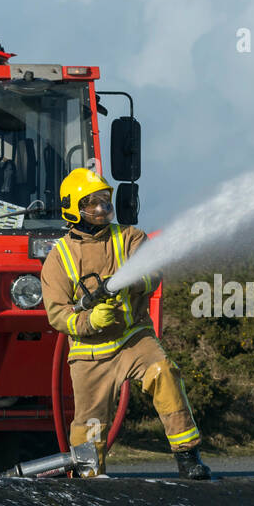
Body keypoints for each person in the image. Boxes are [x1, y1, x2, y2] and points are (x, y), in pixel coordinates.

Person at [41, 167, 210, 479]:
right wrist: (89, 320)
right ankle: (88, 483)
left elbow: (153, 272)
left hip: (134, 339)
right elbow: (57, 314)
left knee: (164, 374)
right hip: (89, 353)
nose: (102, 209)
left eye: (106, 201)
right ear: (73, 209)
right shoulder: (58, 258)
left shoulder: (129, 237)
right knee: (89, 426)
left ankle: (188, 458)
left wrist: (126, 282)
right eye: (92, 203)